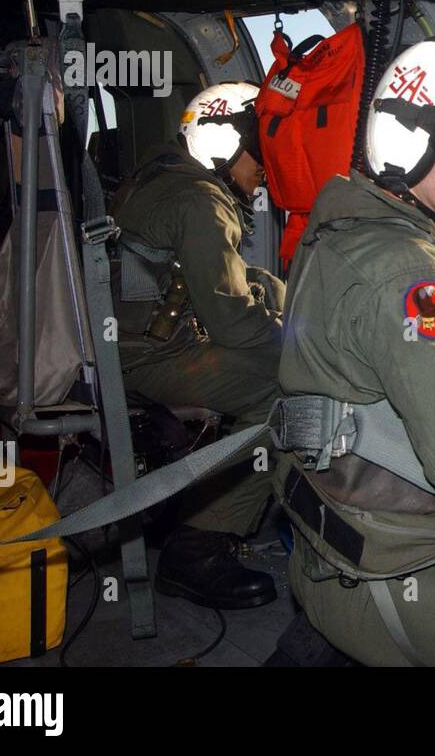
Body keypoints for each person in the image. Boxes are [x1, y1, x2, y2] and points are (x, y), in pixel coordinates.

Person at [273, 36, 435, 666]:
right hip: (399, 591)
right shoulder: (406, 273)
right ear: (406, 137)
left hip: (328, 552)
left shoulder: (338, 227)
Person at [111, 82, 283, 609]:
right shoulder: (202, 200)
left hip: (127, 345)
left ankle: (194, 507)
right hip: (149, 359)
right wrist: (303, 340)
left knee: (270, 292)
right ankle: (197, 549)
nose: (266, 169)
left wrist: (272, 301)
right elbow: (232, 323)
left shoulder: (161, 177)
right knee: (288, 390)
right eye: (261, 152)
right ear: (222, 143)